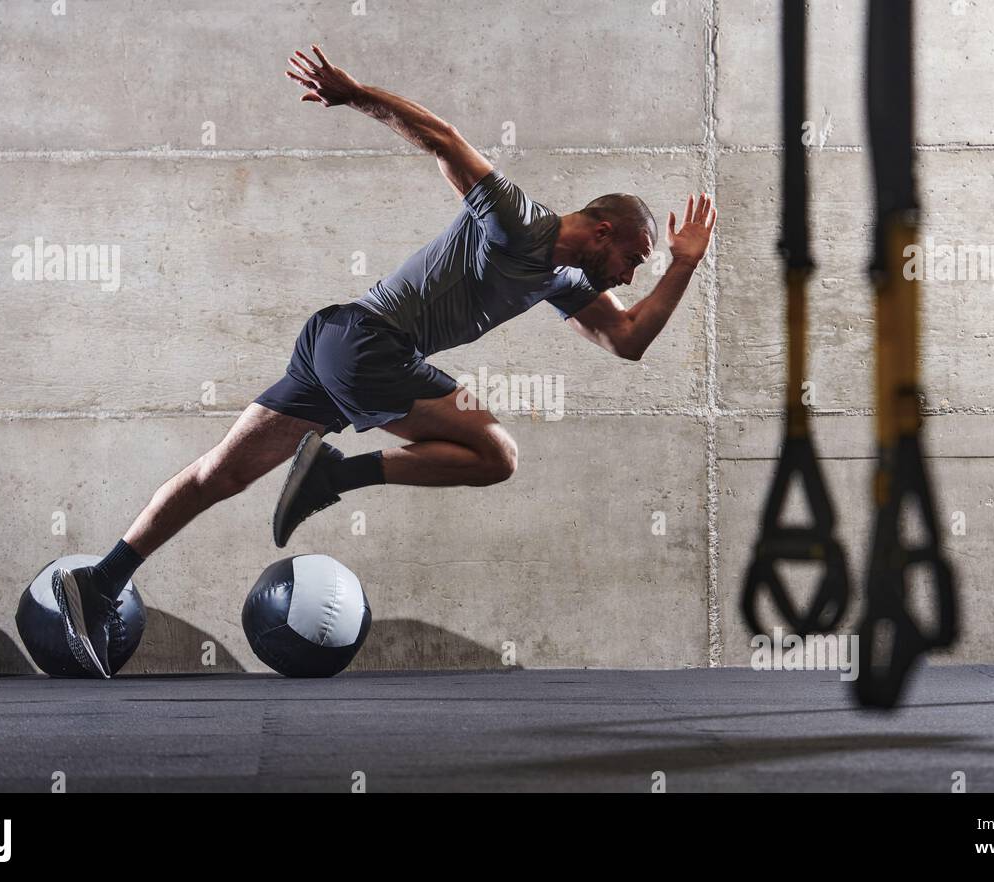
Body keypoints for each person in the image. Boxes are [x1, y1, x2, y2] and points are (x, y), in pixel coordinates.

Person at [51, 44, 718, 678]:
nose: (632, 275)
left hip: (336, 341)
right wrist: (356, 96)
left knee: (219, 474)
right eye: (634, 259)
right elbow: (443, 140)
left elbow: (627, 338)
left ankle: (100, 579)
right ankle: (334, 478)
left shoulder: (563, 280)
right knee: (496, 454)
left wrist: (684, 267)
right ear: (603, 232)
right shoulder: (520, 221)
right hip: (371, 346)